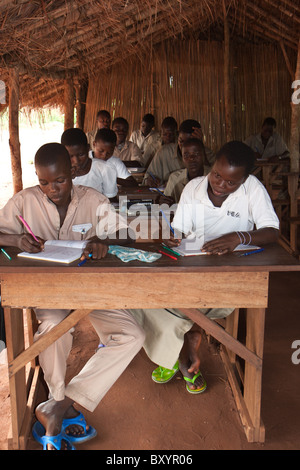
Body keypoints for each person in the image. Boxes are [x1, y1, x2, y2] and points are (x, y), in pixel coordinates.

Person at [0, 143, 145, 450]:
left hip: (91, 290)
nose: (52, 188)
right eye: (44, 182)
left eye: (59, 180)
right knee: (55, 326)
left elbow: (126, 233)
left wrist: (101, 238)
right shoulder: (24, 201)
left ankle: (64, 404)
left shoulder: (92, 199)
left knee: (132, 335)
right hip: (48, 291)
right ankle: (56, 398)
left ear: (73, 172)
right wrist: (15, 238)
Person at [130, 141, 279, 394]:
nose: (220, 185)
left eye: (231, 182)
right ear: (212, 167)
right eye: (217, 175)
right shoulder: (193, 188)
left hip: (230, 277)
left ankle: (180, 349)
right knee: (146, 297)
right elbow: (178, 229)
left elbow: (272, 231)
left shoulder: (253, 189)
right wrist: (171, 235)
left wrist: (238, 238)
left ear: (245, 180)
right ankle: (184, 347)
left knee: (179, 303)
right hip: (191, 271)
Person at [143, 119, 214, 186]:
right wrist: (149, 180)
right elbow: (148, 176)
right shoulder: (164, 152)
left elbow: (211, 178)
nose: (183, 146)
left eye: (189, 143)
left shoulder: (208, 154)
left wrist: (201, 151)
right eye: (181, 141)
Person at [61, 128, 118, 200]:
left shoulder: (105, 168)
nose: (76, 161)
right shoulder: (59, 173)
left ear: (88, 148)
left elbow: (111, 199)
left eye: (81, 154)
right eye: (70, 156)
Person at [160, 137, 211, 205]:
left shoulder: (214, 177)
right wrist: (165, 202)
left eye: (196, 154)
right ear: (182, 159)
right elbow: (165, 205)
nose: (191, 158)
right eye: (186, 155)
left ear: (203, 155)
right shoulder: (175, 179)